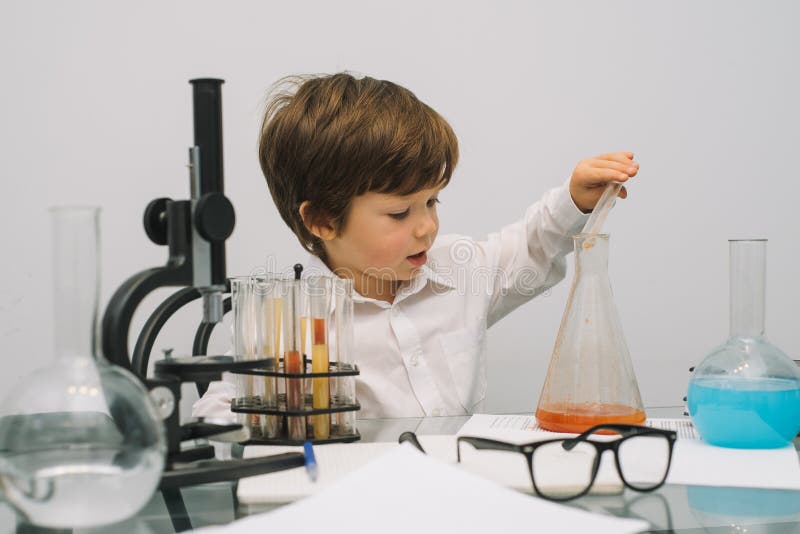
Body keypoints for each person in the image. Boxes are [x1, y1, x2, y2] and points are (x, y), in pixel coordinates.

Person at [192, 72, 639, 419]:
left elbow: (532, 244)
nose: (427, 227)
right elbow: (221, 408)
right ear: (322, 220)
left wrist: (574, 199)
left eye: (432, 200)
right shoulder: (289, 324)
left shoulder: (461, 273)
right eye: (400, 213)